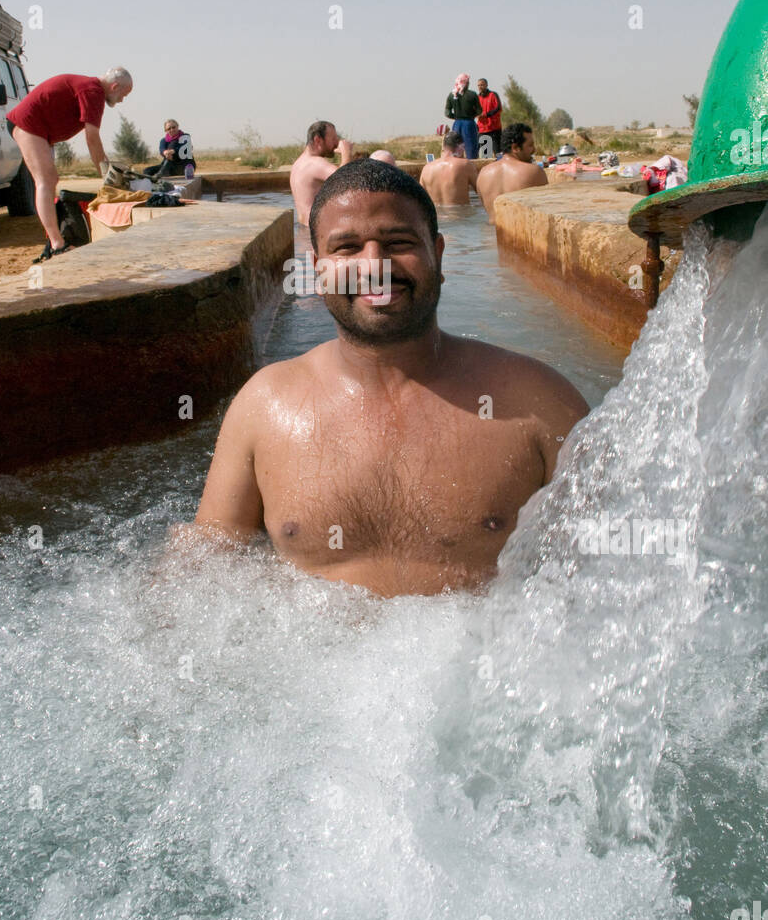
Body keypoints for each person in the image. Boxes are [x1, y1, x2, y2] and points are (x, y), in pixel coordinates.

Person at [193, 159, 588, 596]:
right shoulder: (265, 407)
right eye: (347, 248)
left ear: (437, 254)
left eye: (398, 242)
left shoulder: (539, 401)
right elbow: (205, 571)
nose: (375, 265)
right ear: (317, 265)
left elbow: (612, 571)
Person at [7, 67, 133, 260]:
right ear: (115, 86)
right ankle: (57, 245)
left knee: (50, 179)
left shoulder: (91, 88)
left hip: (38, 128)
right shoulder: (93, 92)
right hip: (28, 124)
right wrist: (107, 175)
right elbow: (92, 139)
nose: (122, 100)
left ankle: (55, 240)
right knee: (46, 181)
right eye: (123, 95)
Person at [476, 122, 548, 225]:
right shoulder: (534, 172)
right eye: (530, 145)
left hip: (490, 238)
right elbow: (544, 213)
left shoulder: (483, 174)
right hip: (522, 237)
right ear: (515, 148)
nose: (534, 150)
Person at [289, 120, 354, 226]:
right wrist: (346, 152)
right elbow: (345, 179)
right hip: (318, 229)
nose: (337, 143)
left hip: (304, 229)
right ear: (318, 140)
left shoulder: (298, 163)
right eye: (333, 139)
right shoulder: (315, 163)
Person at [420, 131, 480, 206]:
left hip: (437, 216)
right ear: (461, 147)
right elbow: (482, 191)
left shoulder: (426, 169)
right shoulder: (465, 165)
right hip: (460, 216)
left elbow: (419, 198)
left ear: (443, 147)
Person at [444, 74, 481, 159]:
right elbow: (479, 110)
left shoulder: (451, 95)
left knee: (455, 147)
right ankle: (471, 168)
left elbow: (447, 113)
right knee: (471, 147)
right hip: (469, 123)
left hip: (457, 123)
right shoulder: (472, 94)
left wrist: (456, 116)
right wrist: (472, 115)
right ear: (466, 83)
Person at [475, 78, 502, 157]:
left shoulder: (493, 95)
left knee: (498, 153)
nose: (480, 87)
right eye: (479, 85)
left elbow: (498, 108)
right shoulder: (476, 98)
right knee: (486, 155)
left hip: (494, 129)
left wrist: (486, 115)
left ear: (486, 85)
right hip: (482, 130)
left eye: (482, 85)